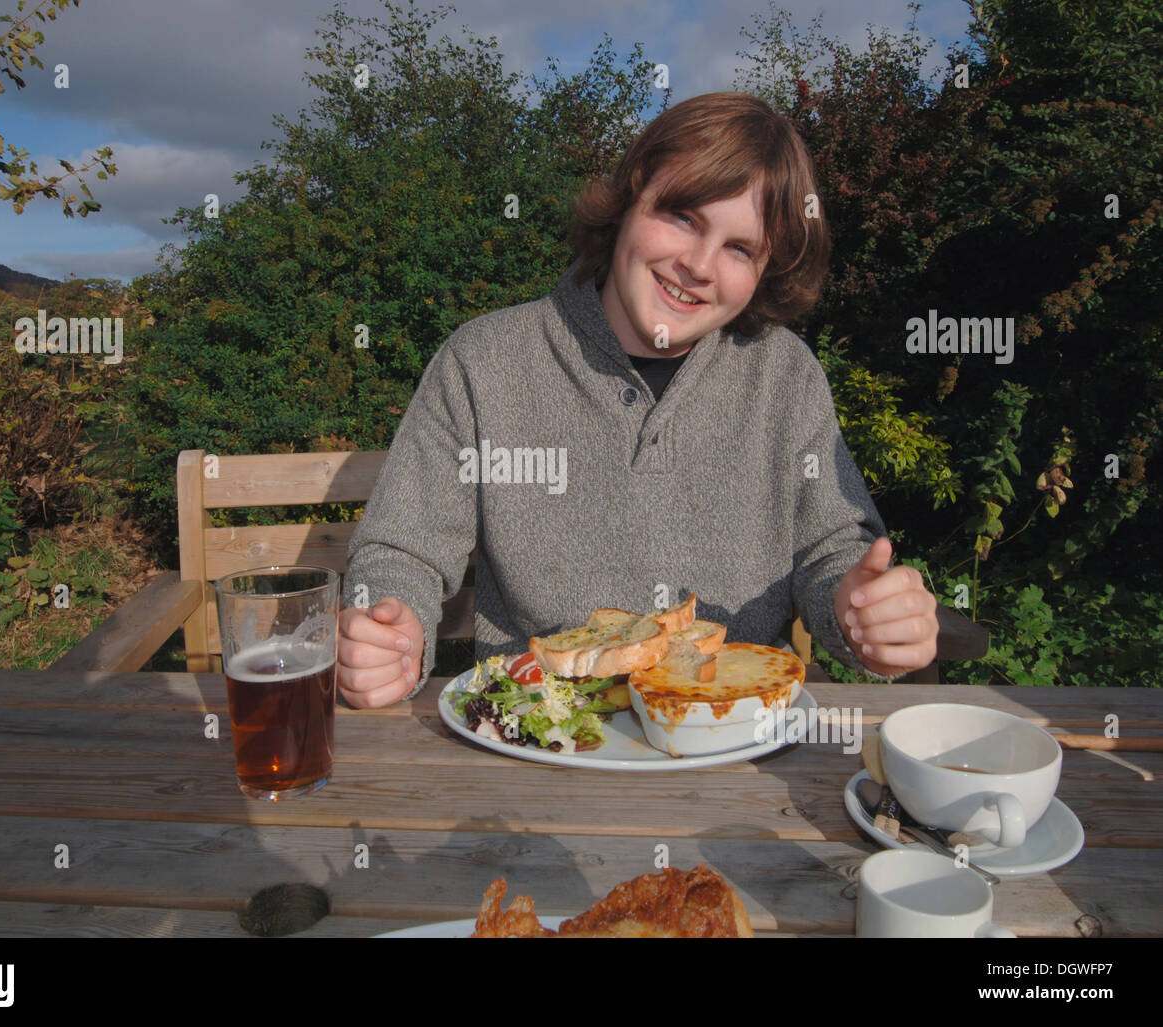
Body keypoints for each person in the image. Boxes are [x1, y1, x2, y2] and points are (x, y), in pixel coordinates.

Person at [336, 92, 939, 708]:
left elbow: (833, 552)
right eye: (683, 217)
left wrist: (862, 612)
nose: (698, 265)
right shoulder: (482, 361)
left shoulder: (786, 375)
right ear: (628, 201)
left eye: (739, 248)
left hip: (736, 743)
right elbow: (400, 549)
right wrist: (393, 630)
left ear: (766, 271)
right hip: (544, 744)